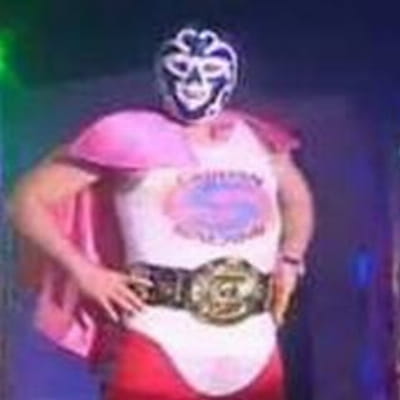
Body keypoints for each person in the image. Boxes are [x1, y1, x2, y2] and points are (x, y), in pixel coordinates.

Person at [9, 26, 314, 400]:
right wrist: (85, 272)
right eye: (182, 68)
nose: (194, 82)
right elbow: (26, 200)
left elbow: (298, 199)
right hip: (159, 338)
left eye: (208, 69)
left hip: (255, 345)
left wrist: (291, 258)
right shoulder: (129, 135)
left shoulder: (258, 138)